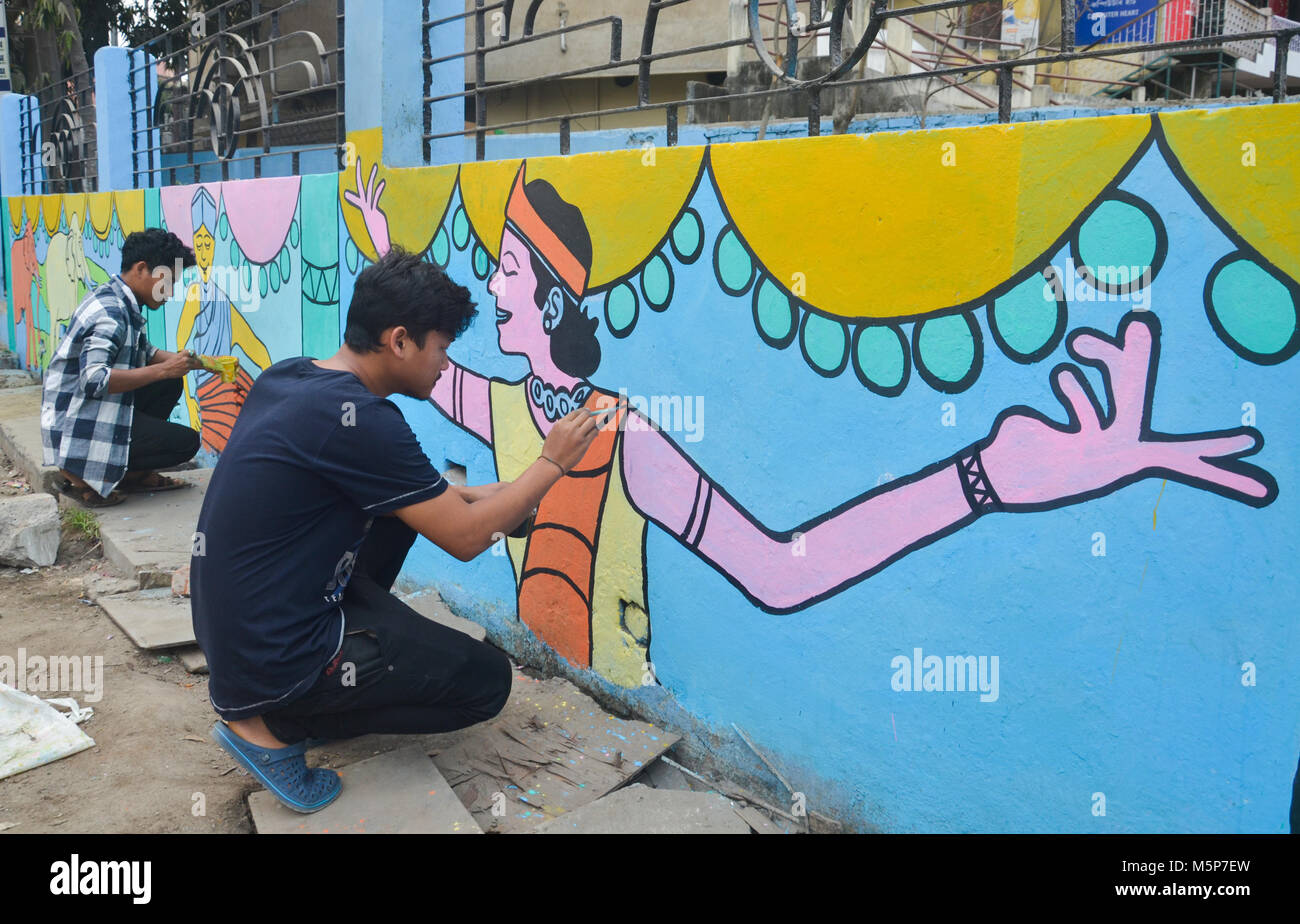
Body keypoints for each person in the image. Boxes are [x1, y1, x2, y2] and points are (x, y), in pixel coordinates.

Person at [191, 248, 600, 814]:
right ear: (401, 340)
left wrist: (506, 497)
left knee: (397, 513)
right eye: (441, 348)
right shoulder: (365, 422)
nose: (445, 365)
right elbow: (463, 538)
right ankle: (280, 727)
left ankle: (317, 684)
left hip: (242, 638)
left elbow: (424, 498)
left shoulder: (294, 378)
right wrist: (551, 465)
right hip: (275, 659)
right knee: (487, 681)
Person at [41, 228, 204, 508]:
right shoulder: (110, 313)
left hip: (87, 412)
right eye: (168, 281)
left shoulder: (120, 301)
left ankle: (130, 475)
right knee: (186, 443)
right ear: (142, 269)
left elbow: (146, 353)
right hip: (75, 428)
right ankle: (80, 475)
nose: (170, 292)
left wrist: (197, 363)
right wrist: (165, 369)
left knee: (170, 381)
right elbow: (94, 379)